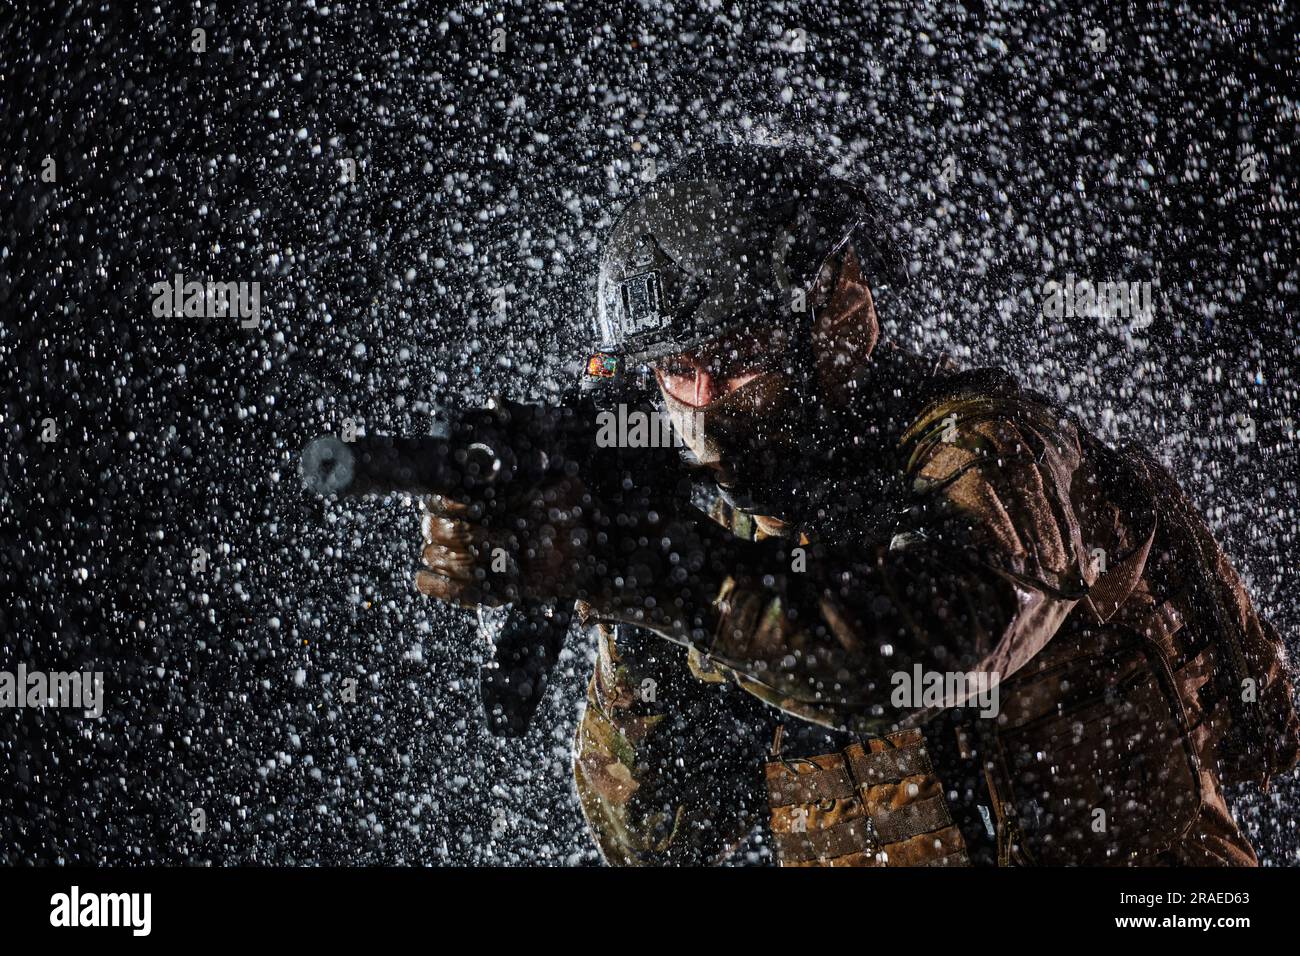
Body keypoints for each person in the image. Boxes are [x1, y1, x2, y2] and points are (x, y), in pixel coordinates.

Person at [414, 144, 1299, 866]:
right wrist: (617, 584)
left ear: (832, 321)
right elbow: (654, 840)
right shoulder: (719, 526)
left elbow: (929, 649)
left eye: (738, 355)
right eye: (679, 371)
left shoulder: (990, 446)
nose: (705, 402)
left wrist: (646, 568)